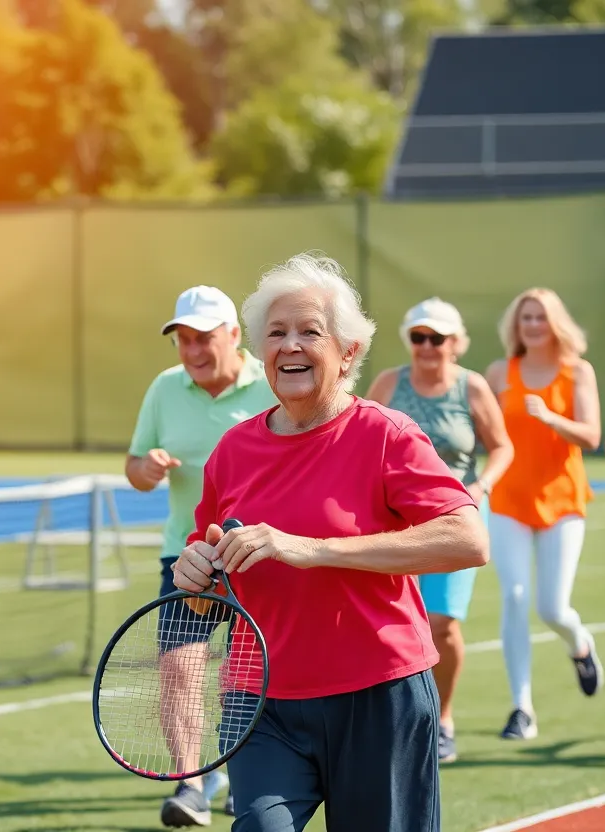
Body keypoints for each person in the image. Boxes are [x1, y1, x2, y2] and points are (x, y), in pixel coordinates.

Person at [171, 252, 489, 832]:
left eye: (308, 332)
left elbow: (467, 538)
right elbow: (202, 589)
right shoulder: (233, 451)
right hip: (260, 699)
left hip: (377, 693)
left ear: (347, 354)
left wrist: (312, 549)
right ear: (259, 351)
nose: (290, 345)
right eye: (276, 333)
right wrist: (194, 572)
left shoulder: (386, 434)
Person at [126, 285, 278, 826]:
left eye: (203, 338)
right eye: (183, 340)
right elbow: (135, 464)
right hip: (187, 554)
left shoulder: (274, 381)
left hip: (262, 552)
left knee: (253, 670)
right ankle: (191, 786)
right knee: (178, 666)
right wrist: (145, 469)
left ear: (234, 336)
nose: (192, 351)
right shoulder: (165, 388)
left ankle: (246, 776)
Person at [364, 297, 513, 764]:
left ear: (456, 343)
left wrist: (483, 484)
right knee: (383, 620)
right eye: (418, 337)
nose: (427, 347)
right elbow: (360, 437)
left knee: (442, 622)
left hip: (454, 516)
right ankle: (394, 716)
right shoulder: (389, 383)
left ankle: (442, 717)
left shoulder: (471, 388)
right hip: (394, 516)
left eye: (438, 338)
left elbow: (502, 446)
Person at [482, 288, 604, 741]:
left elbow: (592, 435)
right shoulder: (499, 372)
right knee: (514, 598)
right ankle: (522, 708)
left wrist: (552, 417)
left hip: (563, 501)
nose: (532, 325)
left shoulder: (577, 371)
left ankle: (580, 644)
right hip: (509, 500)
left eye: (540, 317)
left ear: (556, 323)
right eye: (525, 317)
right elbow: (483, 430)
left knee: (552, 607)